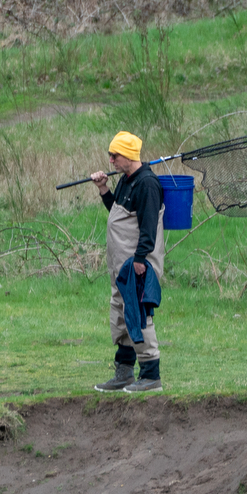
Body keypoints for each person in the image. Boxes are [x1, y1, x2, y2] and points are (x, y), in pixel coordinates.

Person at [89, 131, 165, 393]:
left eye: (115, 156)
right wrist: (104, 190)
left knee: (138, 313)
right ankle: (124, 373)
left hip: (136, 264)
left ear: (129, 155)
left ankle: (151, 375)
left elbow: (149, 226)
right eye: (110, 155)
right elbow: (120, 215)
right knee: (121, 313)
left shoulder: (147, 184)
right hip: (120, 265)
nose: (111, 161)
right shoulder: (125, 180)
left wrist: (141, 259)